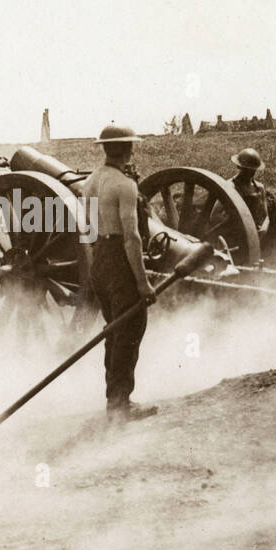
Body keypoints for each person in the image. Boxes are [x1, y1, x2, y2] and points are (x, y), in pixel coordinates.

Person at [78, 124, 158, 424]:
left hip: (100, 258)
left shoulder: (91, 181)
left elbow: (88, 229)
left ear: (104, 148)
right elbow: (132, 237)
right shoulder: (125, 185)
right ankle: (120, 406)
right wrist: (143, 282)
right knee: (131, 329)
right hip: (120, 259)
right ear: (128, 149)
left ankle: (115, 401)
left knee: (114, 330)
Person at [230, 148, 269, 231]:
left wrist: (264, 228)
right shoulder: (230, 186)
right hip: (237, 234)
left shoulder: (259, 188)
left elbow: (265, 216)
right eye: (247, 169)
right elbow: (216, 215)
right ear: (239, 167)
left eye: (253, 170)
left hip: (257, 234)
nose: (251, 172)